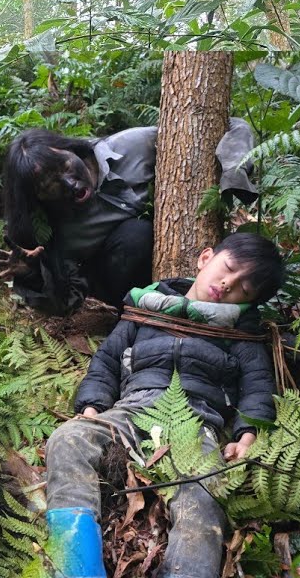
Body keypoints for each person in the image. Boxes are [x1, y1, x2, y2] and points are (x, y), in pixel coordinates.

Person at [44, 232, 285, 578]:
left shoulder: (241, 334)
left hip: (196, 425)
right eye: (229, 268)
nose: (228, 284)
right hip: (131, 409)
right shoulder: (144, 309)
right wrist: (92, 407)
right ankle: (77, 568)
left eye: (244, 289)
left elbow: (258, 388)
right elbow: (106, 362)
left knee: (205, 494)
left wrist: (246, 436)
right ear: (205, 258)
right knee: (67, 439)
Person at [3, 121, 258, 314]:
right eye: (49, 185)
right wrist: (32, 276)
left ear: (70, 150)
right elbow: (68, 299)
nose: (68, 183)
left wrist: (234, 174)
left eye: (64, 166)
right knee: (135, 236)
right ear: (38, 198)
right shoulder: (58, 230)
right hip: (124, 292)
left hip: (193, 266)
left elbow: (232, 124)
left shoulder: (132, 145)